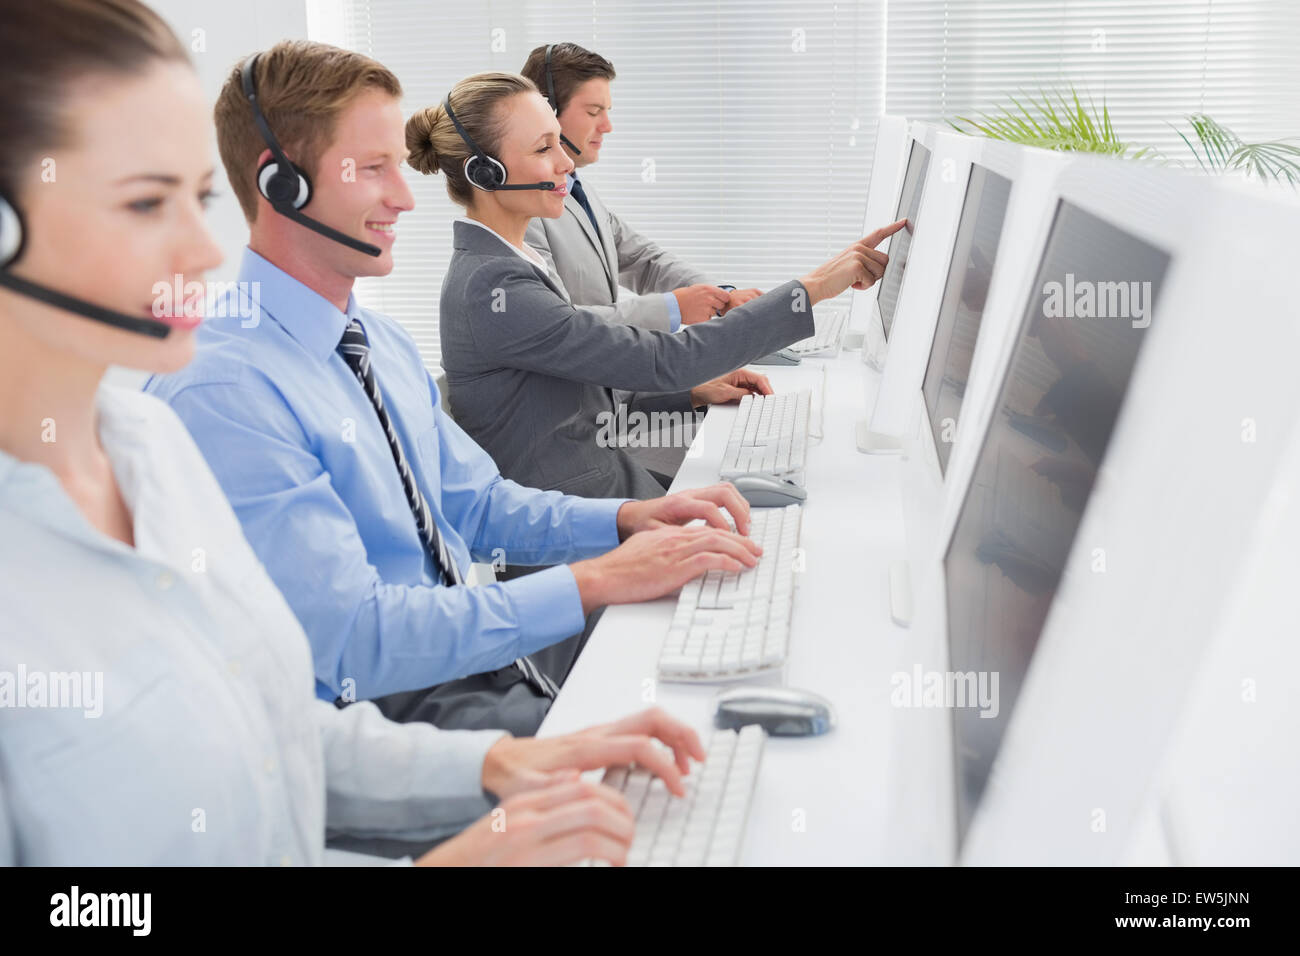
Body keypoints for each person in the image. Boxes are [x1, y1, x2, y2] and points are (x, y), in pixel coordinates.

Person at [0, 0, 707, 867]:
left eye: (194, 196)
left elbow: (276, 729)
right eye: (147, 201)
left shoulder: (146, 446)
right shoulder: (213, 396)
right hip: (413, 701)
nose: (200, 249)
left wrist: (506, 758)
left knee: (687, 788)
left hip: (436, 723)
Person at [144, 40, 763, 738]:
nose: (406, 197)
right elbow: (355, 640)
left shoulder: (380, 345)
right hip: (379, 721)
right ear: (280, 183)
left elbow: (478, 505)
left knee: (707, 704)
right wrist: (598, 579)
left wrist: (626, 522)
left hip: (463, 670)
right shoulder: (223, 389)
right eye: (373, 169)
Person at [407, 72, 903, 500]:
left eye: (559, 140)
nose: (567, 162)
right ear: (485, 172)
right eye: (543, 148)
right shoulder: (492, 286)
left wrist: (691, 394)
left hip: (602, 482)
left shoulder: (513, 258)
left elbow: (571, 397)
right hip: (579, 520)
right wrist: (813, 288)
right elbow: (662, 360)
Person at [519, 43, 761, 332]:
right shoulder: (524, 209)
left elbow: (644, 261)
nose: (607, 126)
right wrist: (673, 308)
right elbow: (555, 322)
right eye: (594, 111)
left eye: (607, 111)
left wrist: (722, 296)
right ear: (548, 111)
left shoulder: (581, 193)